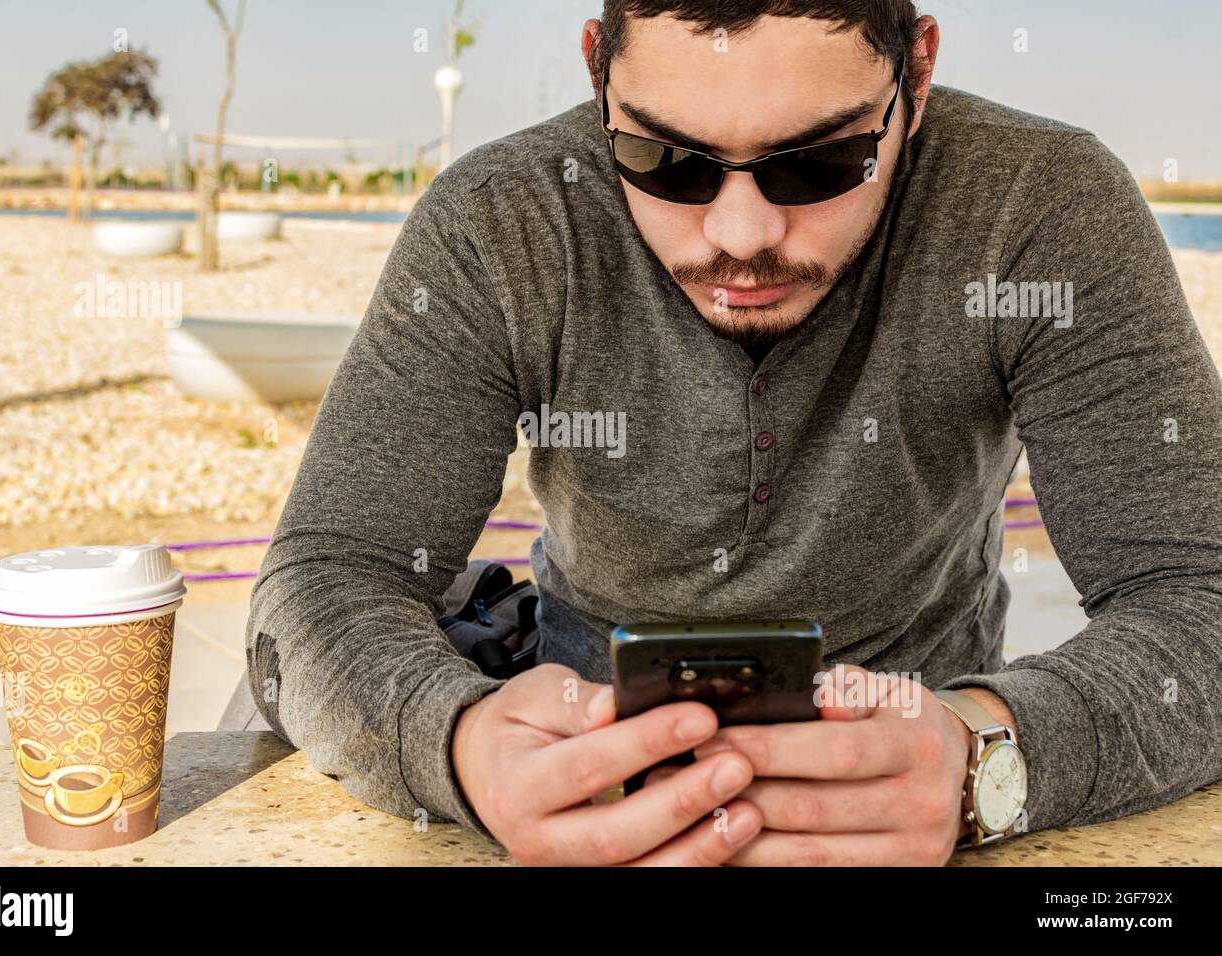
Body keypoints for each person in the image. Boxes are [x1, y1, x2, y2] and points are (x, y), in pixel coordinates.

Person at [235, 1, 1222, 865]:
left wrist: (989, 752)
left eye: (820, 160)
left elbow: (1197, 595)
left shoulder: (1040, 209)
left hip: (929, 788)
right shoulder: (497, 225)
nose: (740, 234)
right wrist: (452, 741)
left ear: (915, 77)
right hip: (578, 781)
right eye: (665, 159)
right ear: (597, 72)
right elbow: (323, 580)